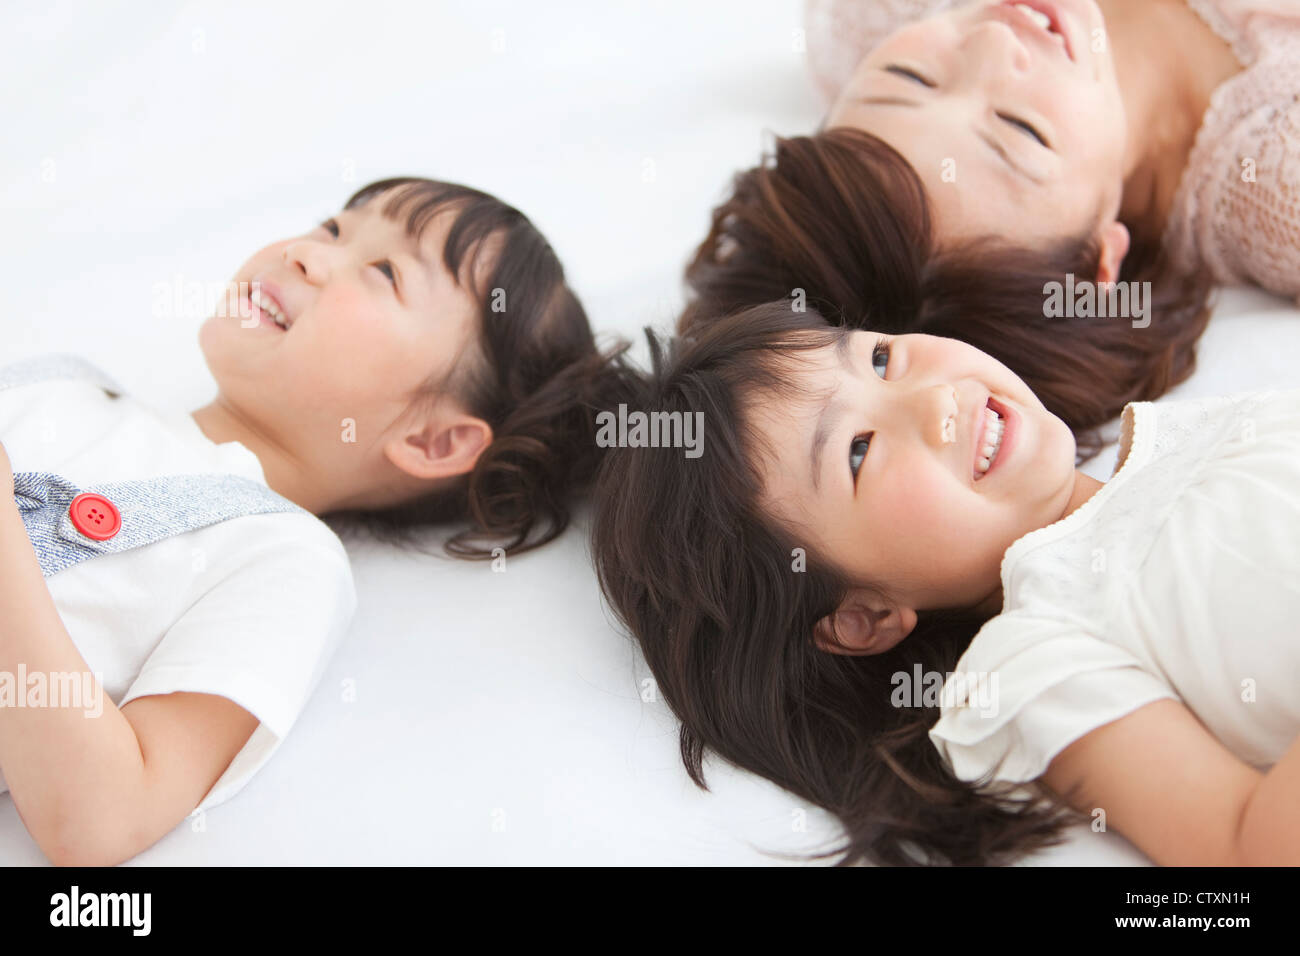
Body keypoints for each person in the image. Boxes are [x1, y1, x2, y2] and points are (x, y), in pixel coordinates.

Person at [0, 176, 632, 865]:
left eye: (385, 271)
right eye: (332, 227)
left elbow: (103, 817)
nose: (304, 253)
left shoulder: (282, 559)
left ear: (433, 441)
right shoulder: (62, 388)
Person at [591, 300, 1300, 866]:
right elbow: (1248, 846)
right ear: (861, 617)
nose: (937, 402)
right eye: (858, 452)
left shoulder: (1197, 432)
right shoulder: (1038, 657)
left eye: (879, 357)